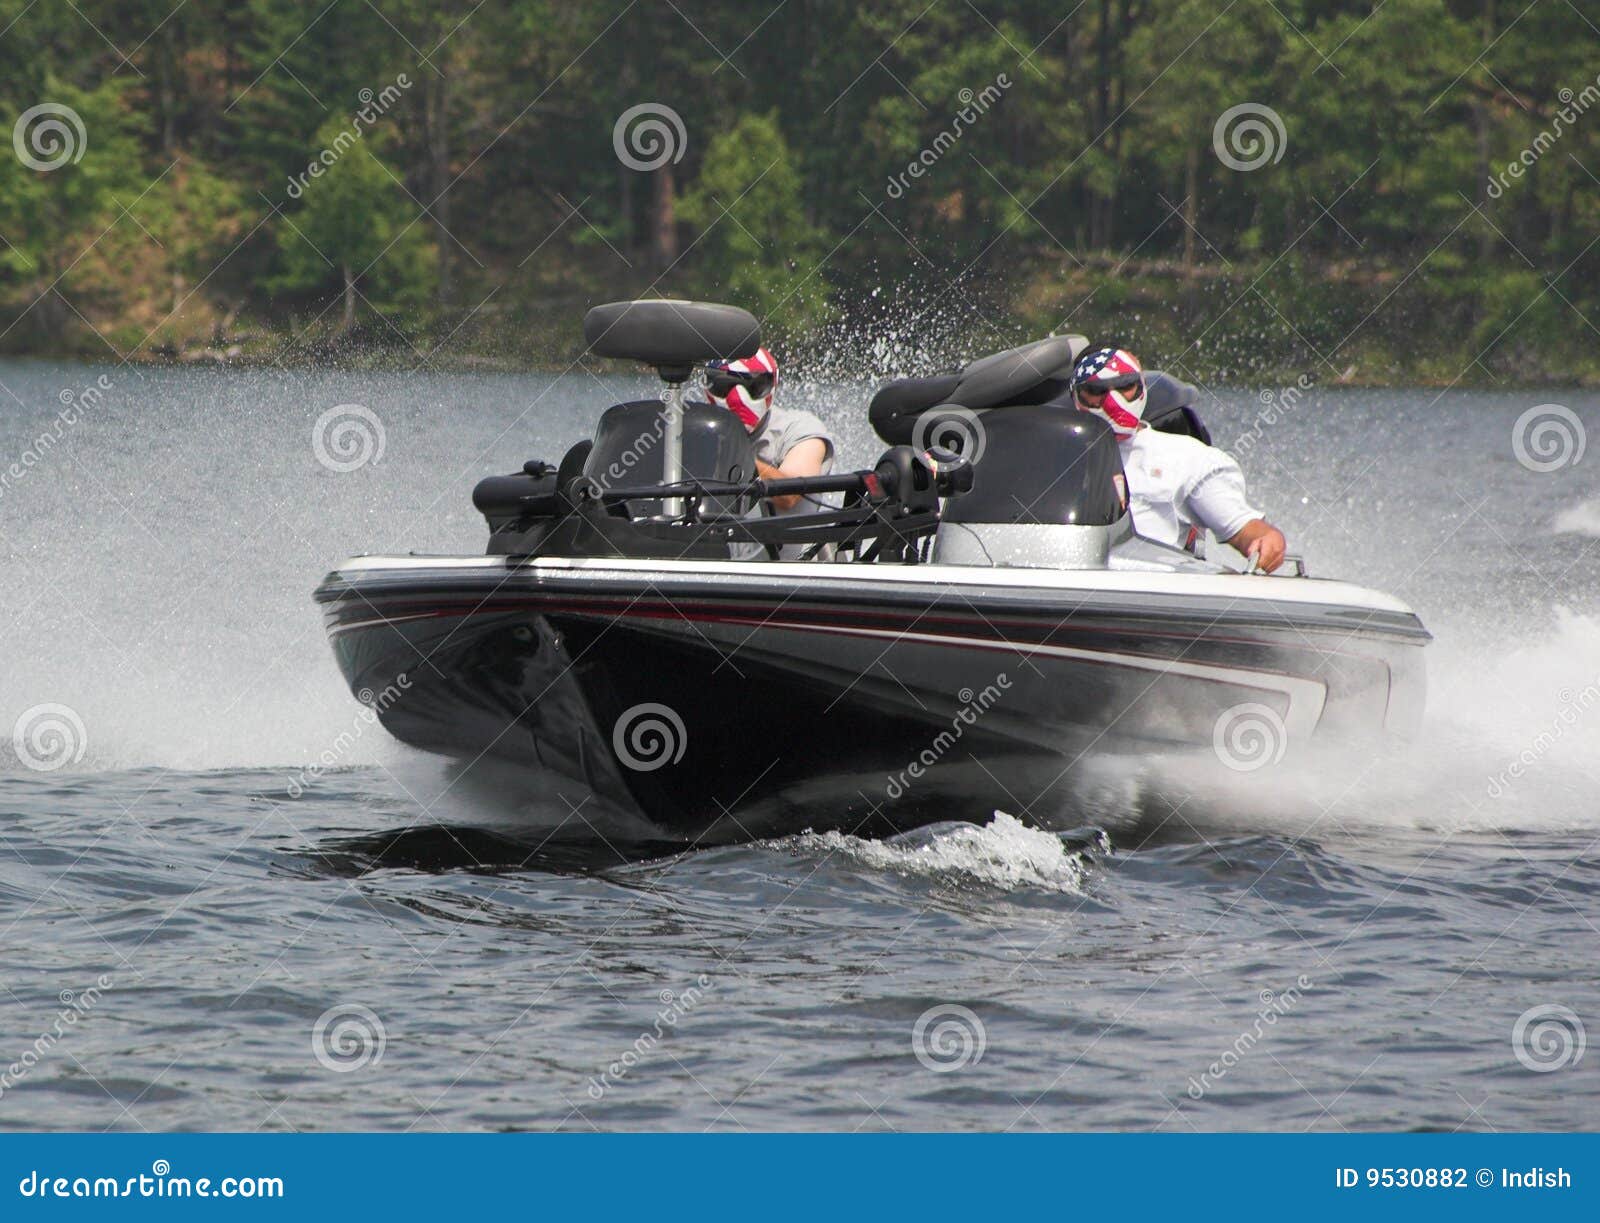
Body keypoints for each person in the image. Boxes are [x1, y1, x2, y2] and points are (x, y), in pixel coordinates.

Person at [1069, 345, 1288, 572]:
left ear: (1141, 386)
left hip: (1149, 587)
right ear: (1076, 394)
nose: (1113, 399)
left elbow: (1241, 527)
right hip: (1063, 578)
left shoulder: (1187, 457)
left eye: (1125, 385)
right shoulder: (1055, 452)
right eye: (1096, 390)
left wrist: (1266, 539)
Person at [704, 347, 834, 516]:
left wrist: (731, 454)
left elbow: (790, 495)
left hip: (787, 540)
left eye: (753, 386)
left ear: (772, 384)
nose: (737, 397)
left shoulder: (801, 429)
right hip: (715, 540)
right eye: (724, 385)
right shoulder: (700, 428)